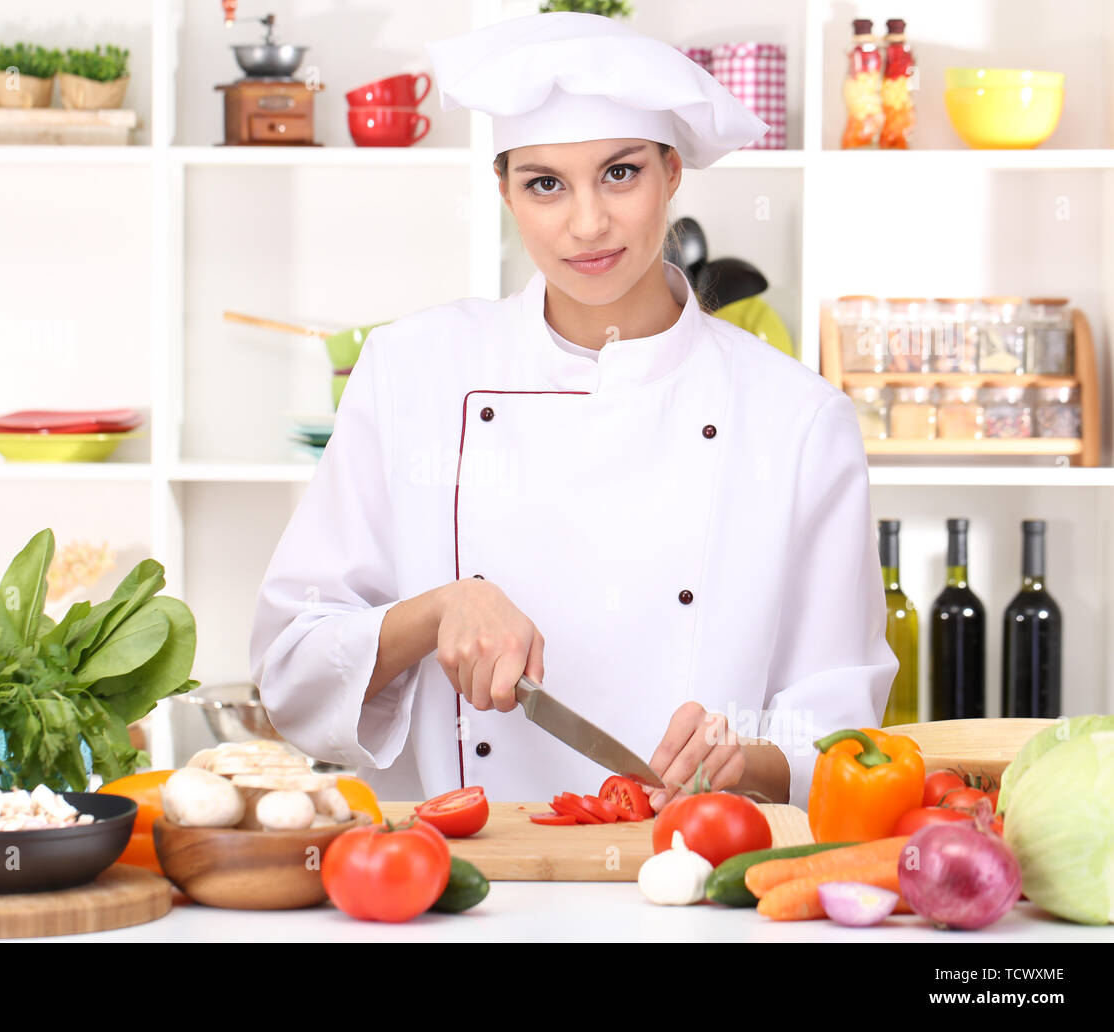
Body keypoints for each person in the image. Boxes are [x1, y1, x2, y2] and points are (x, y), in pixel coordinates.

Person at [249, 12, 897, 813]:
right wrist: (434, 613)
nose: (586, 223)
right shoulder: (410, 373)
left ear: (672, 172)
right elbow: (290, 670)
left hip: (699, 881)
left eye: (620, 174)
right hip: (459, 886)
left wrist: (749, 758)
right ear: (504, 190)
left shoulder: (798, 421)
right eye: (545, 183)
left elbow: (840, 738)